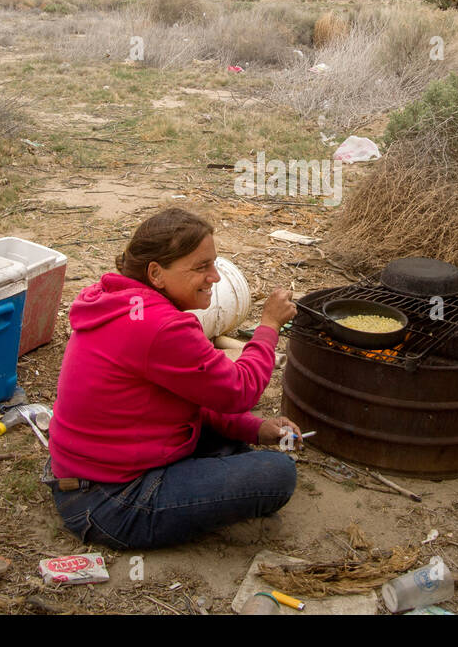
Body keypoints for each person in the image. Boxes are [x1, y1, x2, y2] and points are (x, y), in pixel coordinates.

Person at [44, 206, 300, 550]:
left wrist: (253, 428)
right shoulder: (160, 326)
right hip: (110, 501)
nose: (216, 277)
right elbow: (240, 390)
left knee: (232, 444)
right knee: (277, 474)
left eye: (214, 263)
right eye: (201, 267)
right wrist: (269, 326)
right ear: (156, 273)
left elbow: (184, 398)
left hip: (84, 474)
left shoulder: (117, 300)